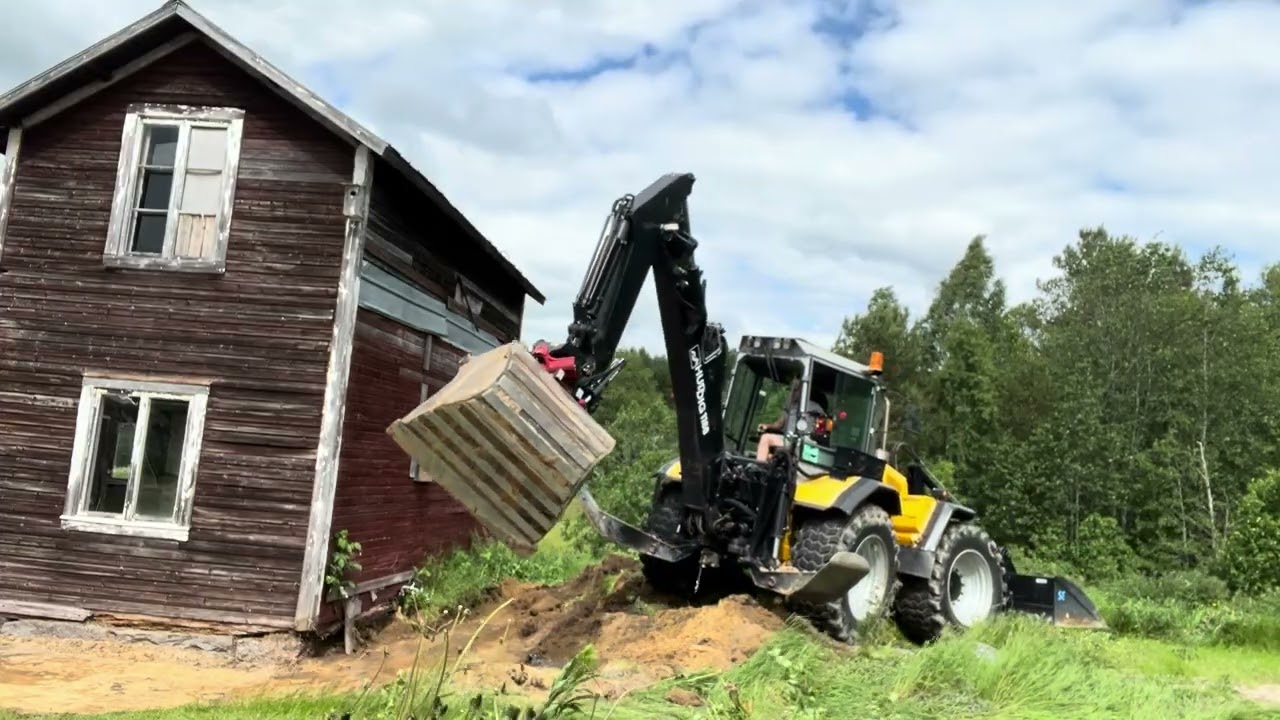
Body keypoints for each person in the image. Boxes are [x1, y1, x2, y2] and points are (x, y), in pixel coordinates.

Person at [755, 379, 824, 461]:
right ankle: (760, 466)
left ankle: (760, 466)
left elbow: (822, 426)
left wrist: (815, 431)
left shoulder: (815, 407)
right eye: (791, 389)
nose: (792, 393)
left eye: (795, 390)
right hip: (788, 440)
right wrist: (767, 426)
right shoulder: (789, 407)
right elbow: (779, 424)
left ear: (803, 391)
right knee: (765, 441)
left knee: (766, 439)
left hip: (805, 444)